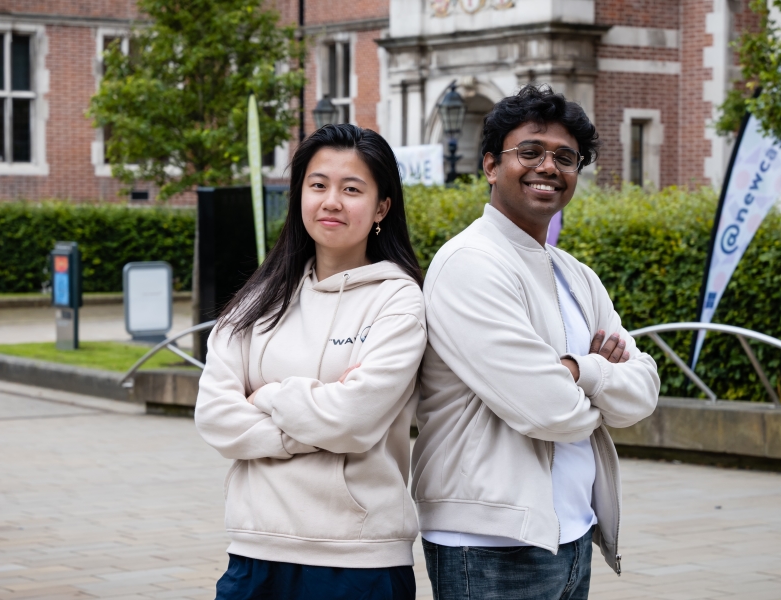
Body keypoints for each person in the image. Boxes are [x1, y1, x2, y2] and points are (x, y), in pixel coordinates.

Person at [411, 85, 661, 599]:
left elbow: (643, 393)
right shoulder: (469, 264)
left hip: (571, 533)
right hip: (488, 544)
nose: (548, 166)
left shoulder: (575, 274)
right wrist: (589, 379)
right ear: (490, 166)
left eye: (565, 158)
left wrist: (581, 371)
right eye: (529, 152)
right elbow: (548, 410)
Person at [195, 124, 426, 600]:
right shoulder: (256, 303)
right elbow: (216, 418)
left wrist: (270, 395)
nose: (332, 201)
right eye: (317, 185)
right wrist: (318, 413)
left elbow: (353, 420)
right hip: (255, 551)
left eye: (352, 189)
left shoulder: (399, 300)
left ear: (382, 206)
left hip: (358, 559)